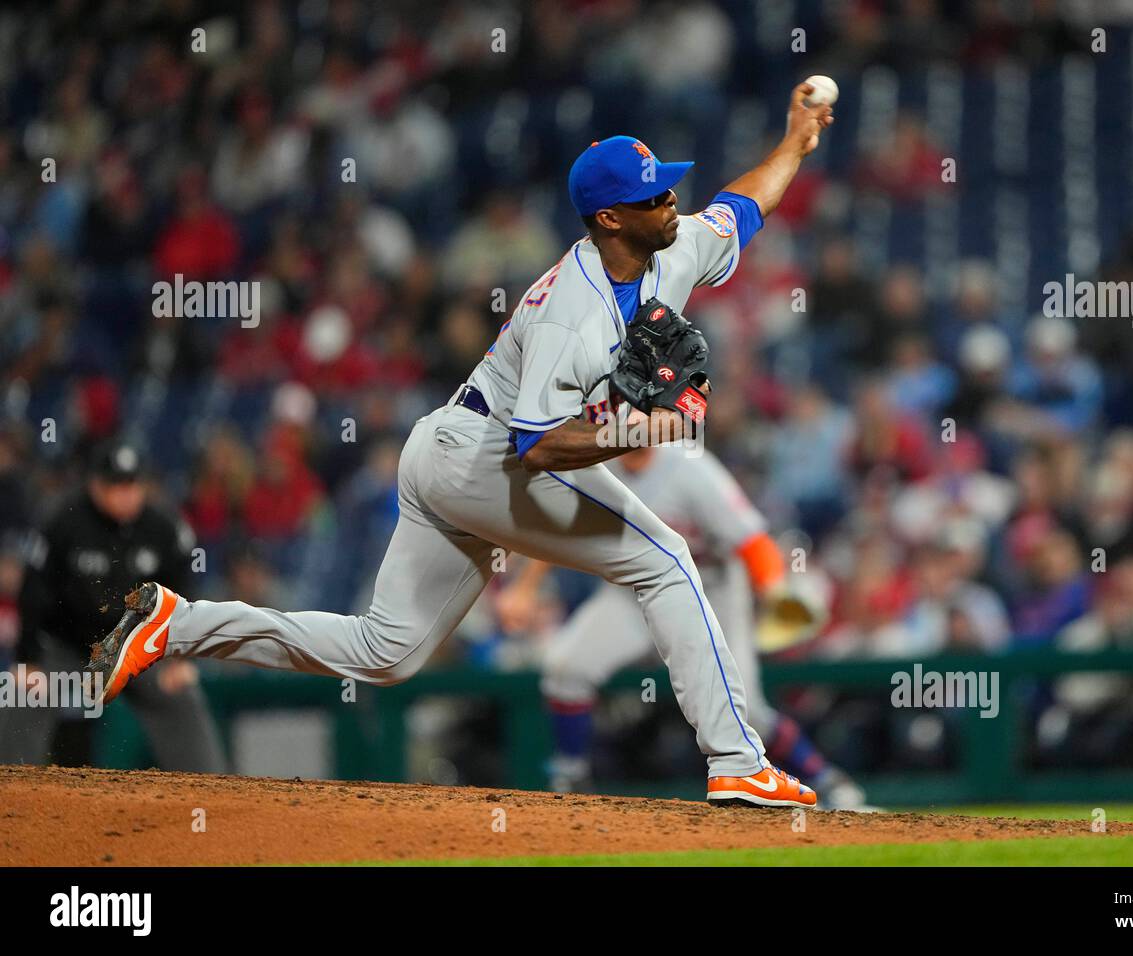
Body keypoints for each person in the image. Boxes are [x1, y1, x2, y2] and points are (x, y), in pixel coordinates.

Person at [86, 84, 835, 808]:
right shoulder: (573, 313)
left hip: (449, 452)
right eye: (653, 196)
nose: (672, 201)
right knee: (667, 560)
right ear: (609, 217)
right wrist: (649, 427)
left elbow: (742, 208)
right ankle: (739, 763)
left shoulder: (669, 249)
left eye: (668, 189)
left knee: (385, 651)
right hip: (489, 456)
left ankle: (175, 624)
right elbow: (539, 447)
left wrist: (795, 142)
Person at [497, 444, 874, 810]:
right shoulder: (596, 464)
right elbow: (563, 526)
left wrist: (774, 589)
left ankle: (826, 780)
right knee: (567, 667)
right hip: (634, 591)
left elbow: (752, 540)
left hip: (714, 590)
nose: (629, 419)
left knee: (745, 712)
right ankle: (570, 778)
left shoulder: (691, 468)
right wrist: (525, 588)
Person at [0, 441, 225, 772]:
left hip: (136, 646)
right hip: (69, 647)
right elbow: (34, 591)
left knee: (181, 695)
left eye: (131, 484)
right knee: (24, 692)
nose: (125, 494)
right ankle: (10, 787)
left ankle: (214, 795)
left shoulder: (164, 527)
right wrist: (27, 659)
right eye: (115, 485)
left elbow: (183, 595)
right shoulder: (63, 519)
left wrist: (179, 656)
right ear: (95, 484)